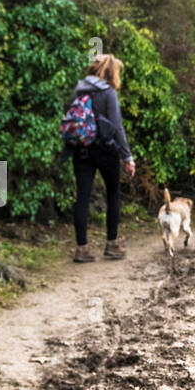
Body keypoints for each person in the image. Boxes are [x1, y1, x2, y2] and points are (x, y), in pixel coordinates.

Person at [63, 54, 135, 262]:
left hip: (81, 149)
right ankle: (112, 245)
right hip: (106, 150)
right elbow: (116, 126)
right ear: (111, 71)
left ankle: (81, 249)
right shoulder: (108, 92)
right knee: (113, 195)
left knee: (82, 198)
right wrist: (127, 156)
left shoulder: (79, 89)